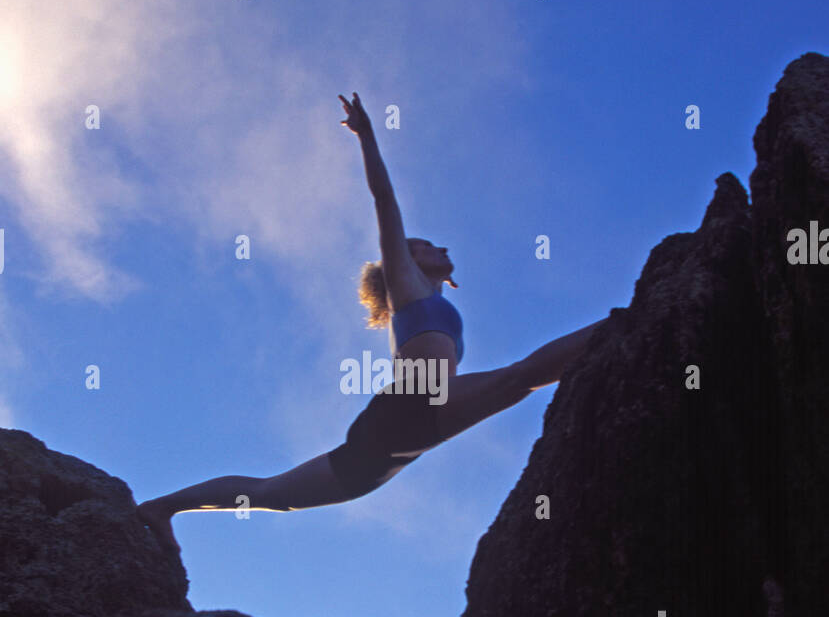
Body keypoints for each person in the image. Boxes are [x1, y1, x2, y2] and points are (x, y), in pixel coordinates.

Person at [137, 92, 605, 556]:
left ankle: (162, 507)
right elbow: (384, 200)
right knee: (519, 378)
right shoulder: (406, 286)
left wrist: (440, 281)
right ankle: (612, 331)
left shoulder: (430, 296)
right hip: (417, 404)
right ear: (405, 262)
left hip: (393, 442)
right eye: (425, 246)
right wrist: (367, 137)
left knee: (271, 493)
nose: (441, 247)